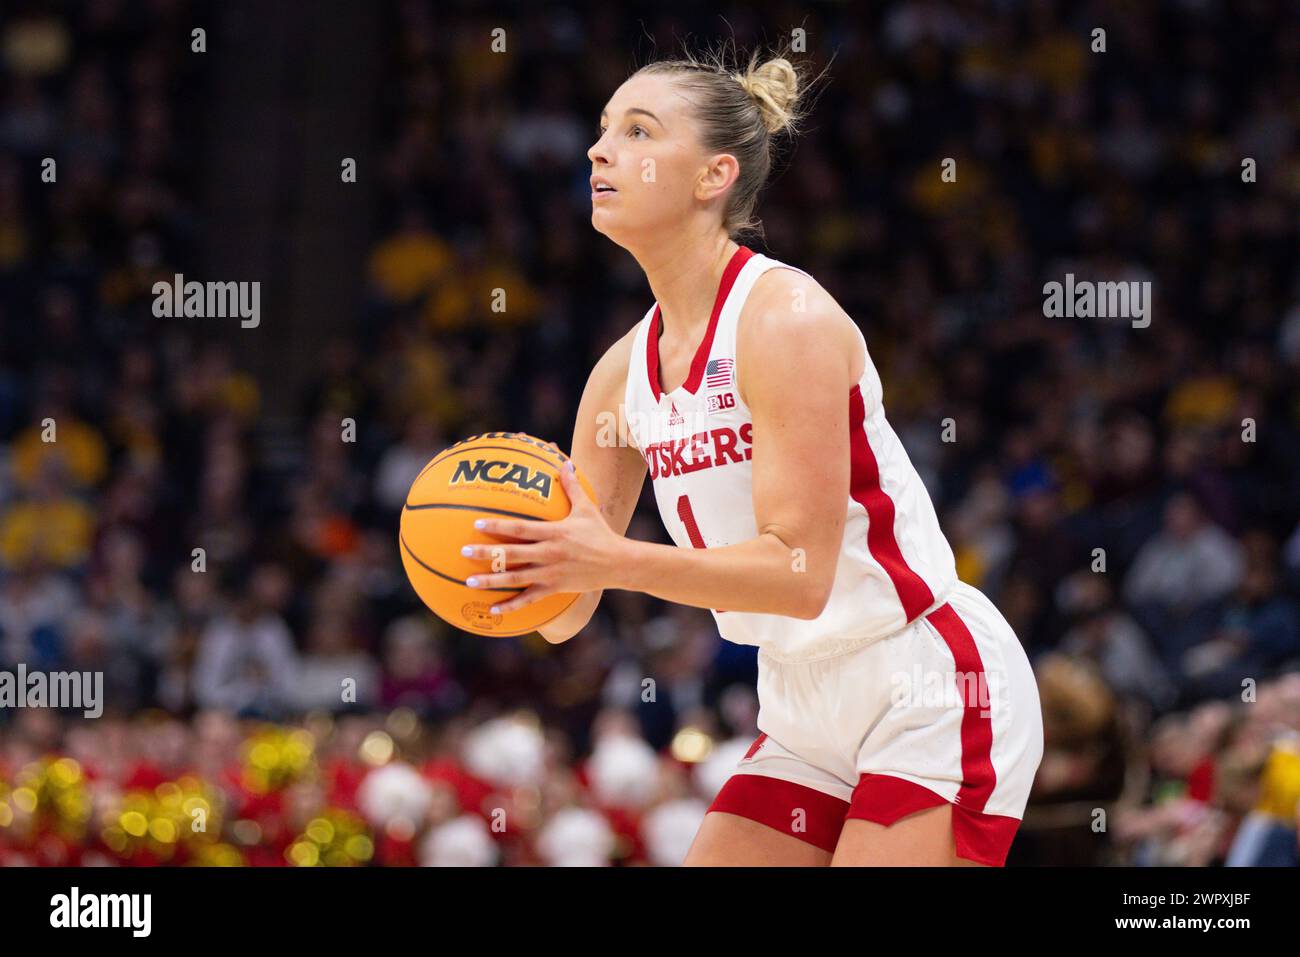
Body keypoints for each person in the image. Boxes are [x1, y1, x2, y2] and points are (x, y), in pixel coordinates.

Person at [460, 46, 1043, 866]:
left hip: (921, 679)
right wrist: (519, 565)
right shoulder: (617, 375)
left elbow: (799, 575)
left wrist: (612, 558)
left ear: (713, 176)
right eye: (602, 131)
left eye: (637, 131)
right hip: (799, 700)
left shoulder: (787, 319)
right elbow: (569, 616)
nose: (599, 150)